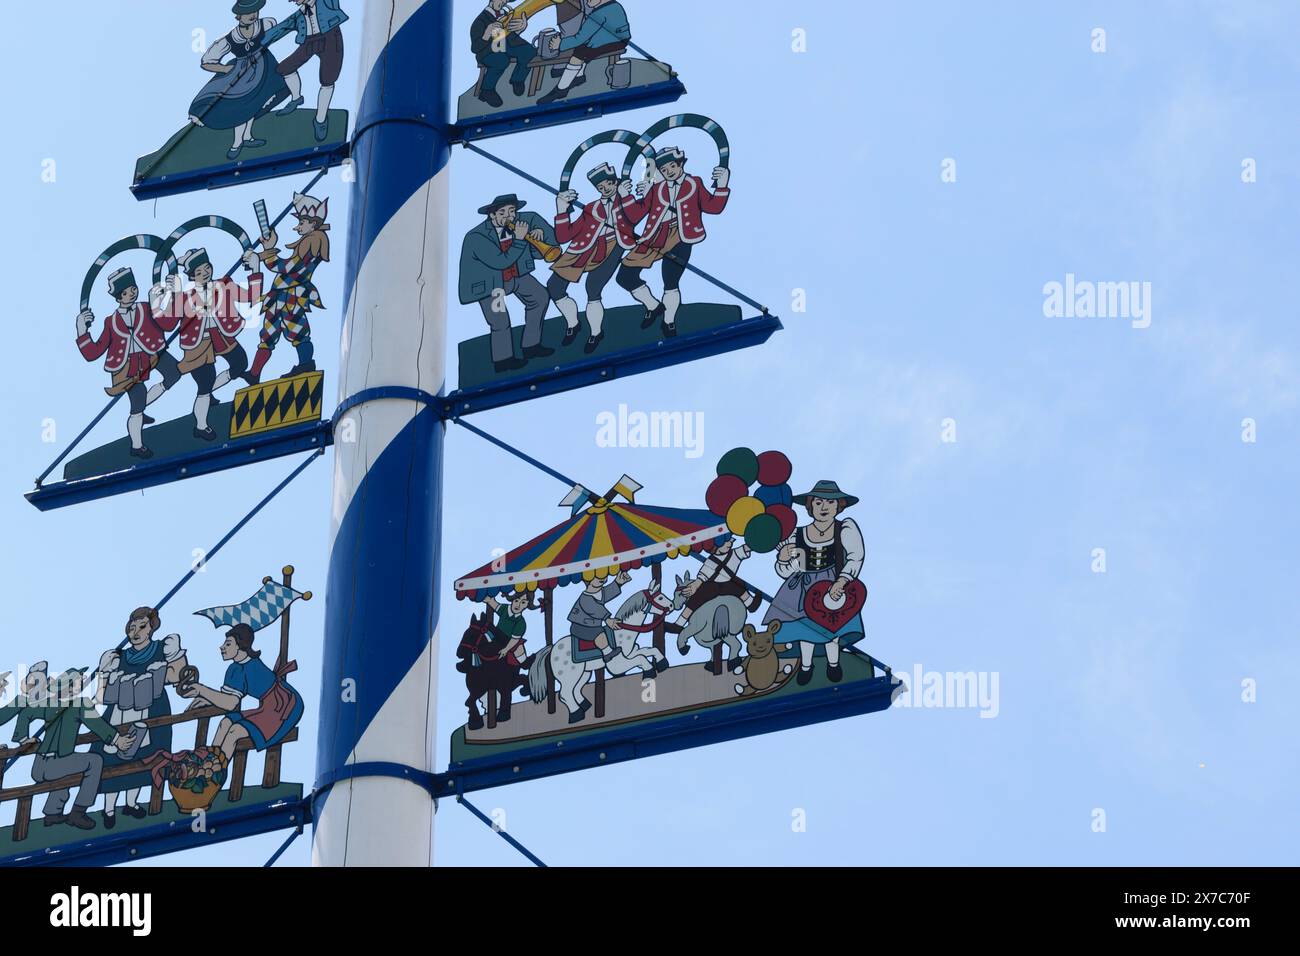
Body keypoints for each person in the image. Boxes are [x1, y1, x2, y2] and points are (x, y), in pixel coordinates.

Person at [0, 668, 136, 832]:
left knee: (67, 770)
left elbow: (26, 714)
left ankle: (52, 813)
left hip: (39, 766)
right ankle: (78, 811)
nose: (84, 679)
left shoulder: (50, 704)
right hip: (53, 765)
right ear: (69, 685)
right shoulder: (80, 704)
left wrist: (23, 738)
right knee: (94, 761)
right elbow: (96, 724)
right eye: (80, 678)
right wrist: (117, 740)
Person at [616, 146, 731, 338]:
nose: (668, 171)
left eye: (671, 166)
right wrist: (625, 195)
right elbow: (635, 214)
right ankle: (653, 306)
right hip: (653, 236)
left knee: (670, 281)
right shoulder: (657, 188)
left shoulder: (694, 183)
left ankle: (668, 321)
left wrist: (722, 185)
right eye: (664, 169)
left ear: (680, 164)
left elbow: (713, 206)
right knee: (624, 276)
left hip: (681, 235)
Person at [762, 481, 866, 685]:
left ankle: (834, 664)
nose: (824, 507)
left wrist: (842, 581)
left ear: (839, 506)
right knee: (805, 630)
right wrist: (783, 559)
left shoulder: (844, 527)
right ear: (810, 506)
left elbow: (856, 556)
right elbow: (785, 572)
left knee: (833, 629)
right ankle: (806, 666)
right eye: (818, 502)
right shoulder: (797, 534)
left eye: (829, 502)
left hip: (832, 584)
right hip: (803, 587)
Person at [91, 607, 184, 829]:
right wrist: (103, 673)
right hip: (118, 714)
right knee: (111, 761)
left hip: (152, 711)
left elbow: (178, 677)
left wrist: (159, 674)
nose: (136, 632)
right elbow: (101, 696)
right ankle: (109, 808)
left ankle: (131, 803)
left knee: (144, 758)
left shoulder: (163, 648)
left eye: (142, 626)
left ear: (152, 627)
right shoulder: (118, 657)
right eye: (132, 627)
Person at [75, 268, 182, 459]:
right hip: (126, 364)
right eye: (125, 292)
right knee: (138, 398)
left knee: (174, 372)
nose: (130, 293)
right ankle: (137, 445)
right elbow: (94, 352)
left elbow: (169, 324)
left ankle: (142, 407)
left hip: (153, 352)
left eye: (132, 288)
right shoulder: (111, 321)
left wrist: (173, 296)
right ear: (118, 297)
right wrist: (82, 331)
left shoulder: (146, 307)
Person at [549, 163, 643, 353]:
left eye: (608, 184)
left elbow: (635, 217)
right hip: (581, 249)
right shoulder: (591, 208)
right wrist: (561, 211)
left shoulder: (625, 200)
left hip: (611, 247)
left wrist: (627, 197)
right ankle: (573, 324)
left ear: (616, 182)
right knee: (554, 286)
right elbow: (564, 236)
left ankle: (595, 332)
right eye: (600, 187)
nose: (605, 189)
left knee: (592, 287)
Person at [177, 624, 303, 764]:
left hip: (283, 707)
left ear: (240, 645)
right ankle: (207, 763)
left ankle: (217, 771)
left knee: (235, 731)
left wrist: (202, 690)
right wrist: (206, 697)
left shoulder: (252, 665)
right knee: (225, 723)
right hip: (266, 707)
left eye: (228, 643)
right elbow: (226, 698)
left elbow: (231, 703)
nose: (222, 647)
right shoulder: (234, 669)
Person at [458, 194, 556, 372]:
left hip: (516, 276)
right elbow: (500, 262)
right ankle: (503, 360)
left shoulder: (524, 223)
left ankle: (531, 346)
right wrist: (519, 239)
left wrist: (539, 237)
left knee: (540, 297)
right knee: (500, 320)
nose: (508, 216)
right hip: (491, 285)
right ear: (492, 215)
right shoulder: (476, 237)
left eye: (512, 211)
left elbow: (544, 250)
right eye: (502, 212)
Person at [174, 248, 262, 440]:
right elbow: (166, 322)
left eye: (206, 268)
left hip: (223, 335)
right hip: (198, 343)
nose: (204, 273)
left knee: (240, 363)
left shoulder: (223, 285)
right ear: (191, 276)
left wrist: (255, 268)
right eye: (198, 272)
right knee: (205, 382)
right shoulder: (185, 298)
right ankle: (201, 425)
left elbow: (252, 296)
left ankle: (209, 392)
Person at [242, 191, 329, 382]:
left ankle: (306, 365)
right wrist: (266, 250)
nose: (298, 227)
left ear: (313, 224)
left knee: (297, 332)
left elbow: (286, 267)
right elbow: (282, 265)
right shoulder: (304, 246)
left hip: (291, 298)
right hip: (278, 297)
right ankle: (254, 373)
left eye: (301, 223)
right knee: (268, 335)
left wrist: (267, 251)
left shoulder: (312, 245)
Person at [191, 1, 292, 160]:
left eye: (255, 11)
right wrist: (225, 69)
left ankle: (247, 137)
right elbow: (207, 61)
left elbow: (275, 34)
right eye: (248, 12)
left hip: (266, 69)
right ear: (239, 15)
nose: (253, 15)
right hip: (243, 75)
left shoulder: (266, 24)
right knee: (242, 106)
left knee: (255, 103)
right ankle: (237, 143)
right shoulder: (230, 38)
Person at [264, 0, 349, 142]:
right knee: (285, 68)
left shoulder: (326, 2)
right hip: (309, 42)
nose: (295, 1)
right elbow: (280, 29)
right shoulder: (299, 15)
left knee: (327, 79)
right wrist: (260, 42)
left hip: (330, 38)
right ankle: (297, 98)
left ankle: (320, 120)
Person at [538, 0, 630, 104]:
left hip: (613, 41)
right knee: (582, 48)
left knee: (578, 56)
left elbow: (580, 38)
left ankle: (560, 89)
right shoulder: (615, 5)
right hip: (619, 38)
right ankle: (579, 77)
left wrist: (559, 44)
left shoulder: (597, 14)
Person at [665, 538, 762, 634]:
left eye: (730, 540)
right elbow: (703, 576)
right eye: (726, 541)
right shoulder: (710, 560)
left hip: (729, 583)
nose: (730, 543)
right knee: (694, 600)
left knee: (740, 586)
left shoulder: (735, 553)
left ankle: (750, 604)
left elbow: (746, 548)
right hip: (713, 585)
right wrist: (695, 585)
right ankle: (678, 625)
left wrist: (756, 541)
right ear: (716, 546)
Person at [470, 0, 535, 109]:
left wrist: (520, 28)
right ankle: (487, 90)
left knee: (529, 51)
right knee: (501, 61)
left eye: (506, 0)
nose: (503, 3)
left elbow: (509, 34)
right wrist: (486, 34)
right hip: (488, 50)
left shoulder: (506, 14)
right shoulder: (480, 20)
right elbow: (475, 48)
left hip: (506, 44)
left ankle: (518, 79)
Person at [567, 570, 631, 665]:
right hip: (581, 626)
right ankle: (607, 652)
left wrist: (618, 583)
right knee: (599, 634)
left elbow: (607, 592)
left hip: (592, 624)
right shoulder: (585, 598)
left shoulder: (600, 592)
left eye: (602, 574)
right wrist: (607, 619)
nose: (602, 578)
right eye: (596, 576)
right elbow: (594, 609)